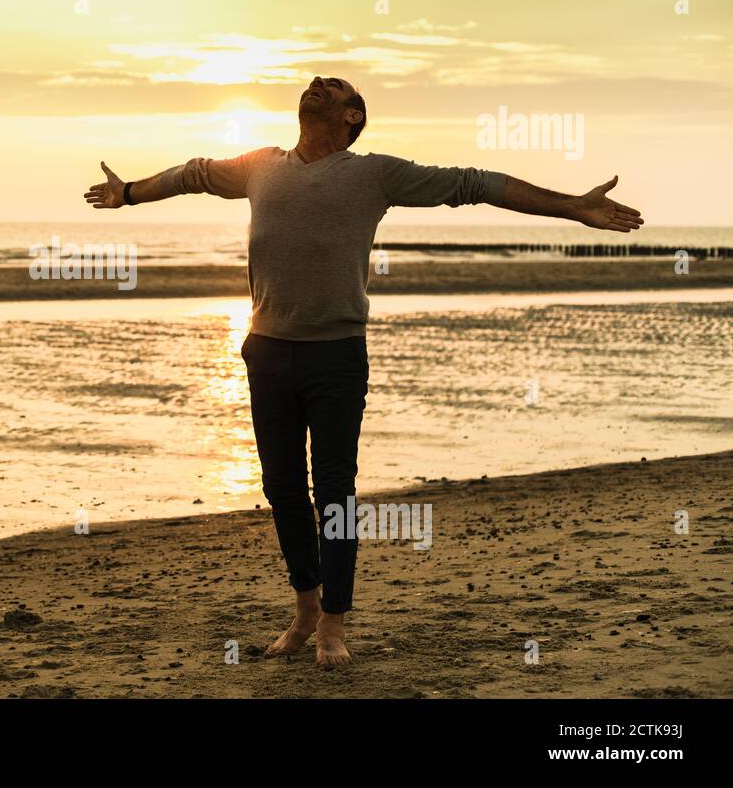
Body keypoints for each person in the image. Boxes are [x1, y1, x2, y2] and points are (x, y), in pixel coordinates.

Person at [84, 76, 643, 667]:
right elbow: (192, 173)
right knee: (281, 490)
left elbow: (476, 185)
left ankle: (333, 622)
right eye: (315, 83)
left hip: (336, 357)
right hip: (266, 352)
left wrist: (572, 206)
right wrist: (130, 194)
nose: (318, 83)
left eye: (336, 88)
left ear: (353, 117)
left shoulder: (374, 173)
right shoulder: (259, 166)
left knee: (334, 492)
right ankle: (305, 605)